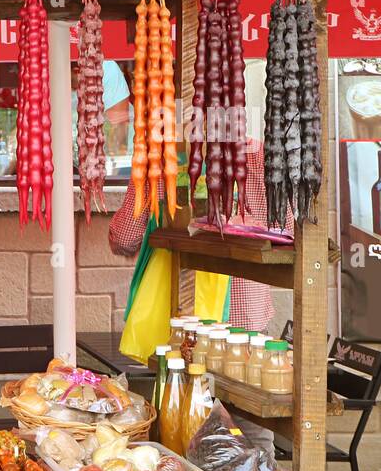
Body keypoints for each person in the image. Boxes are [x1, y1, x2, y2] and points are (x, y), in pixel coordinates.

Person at [108, 142, 288, 334]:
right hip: (243, 317)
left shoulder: (156, 156)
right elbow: (286, 233)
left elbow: (124, 238)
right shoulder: (260, 153)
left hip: (175, 309)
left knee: (173, 360)